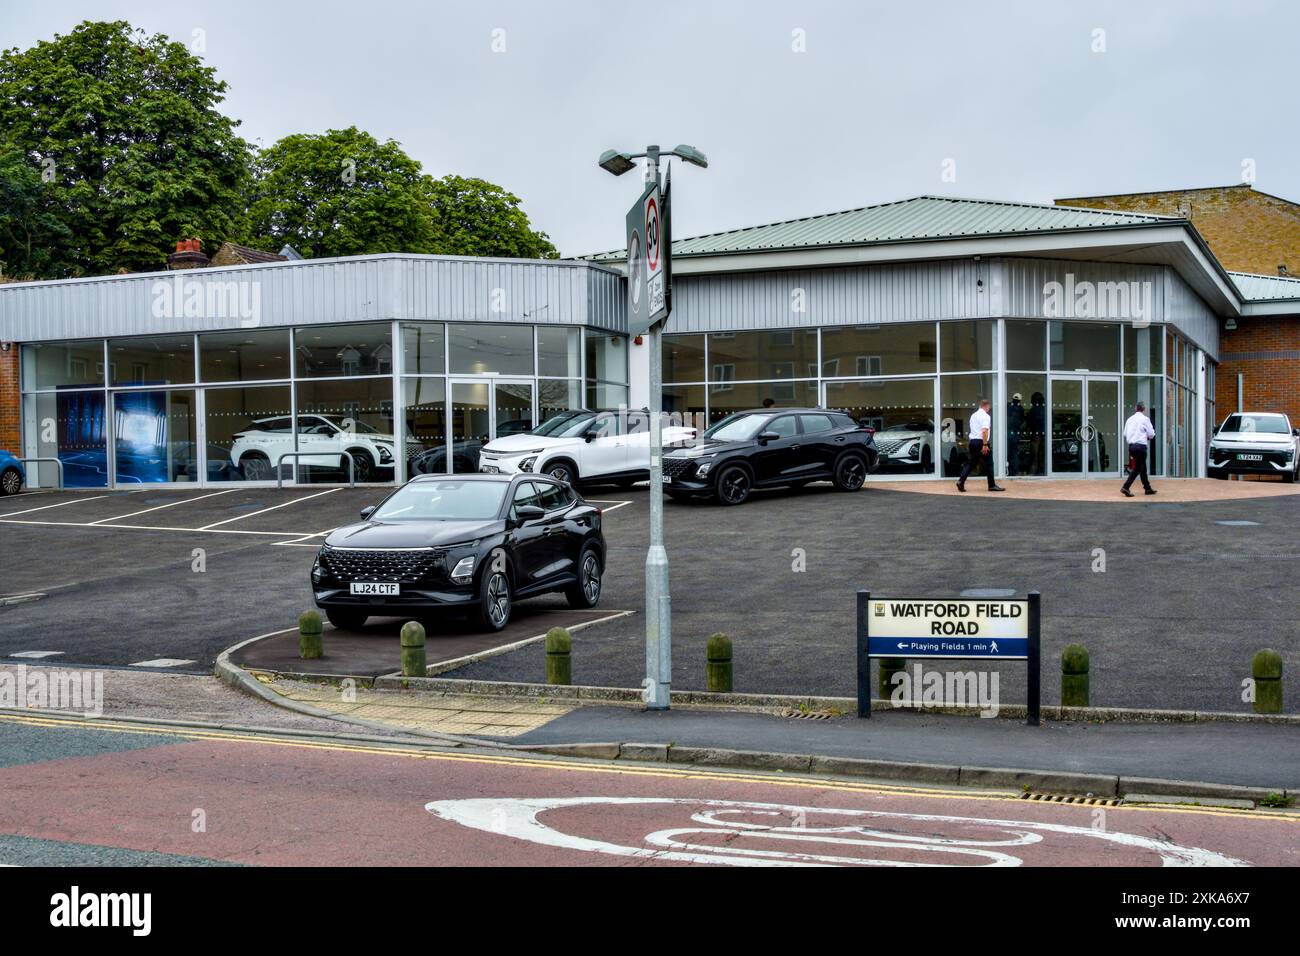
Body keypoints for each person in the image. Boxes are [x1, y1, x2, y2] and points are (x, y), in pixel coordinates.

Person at [957, 398, 1005, 492]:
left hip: (973, 442)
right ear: (986, 406)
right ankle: (991, 485)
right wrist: (985, 444)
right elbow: (984, 431)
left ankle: (961, 481)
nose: (989, 409)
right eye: (989, 408)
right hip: (981, 442)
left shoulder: (973, 416)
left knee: (971, 463)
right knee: (989, 463)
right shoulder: (986, 416)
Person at [1121, 400, 1157, 497]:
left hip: (1132, 447)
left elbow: (1125, 434)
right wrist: (1146, 436)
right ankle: (1126, 487)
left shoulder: (1129, 419)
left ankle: (1147, 488)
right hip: (1141, 447)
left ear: (1135, 408)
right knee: (1138, 468)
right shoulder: (1145, 419)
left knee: (1142, 467)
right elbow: (1151, 434)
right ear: (1144, 409)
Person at [1006, 392, 1025, 476]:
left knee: (1007, 453)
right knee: (1014, 453)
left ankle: (1008, 471)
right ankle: (1014, 471)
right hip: (1015, 434)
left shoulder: (1008, 406)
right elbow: (1022, 421)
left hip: (1008, 433)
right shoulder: (1020, 409)